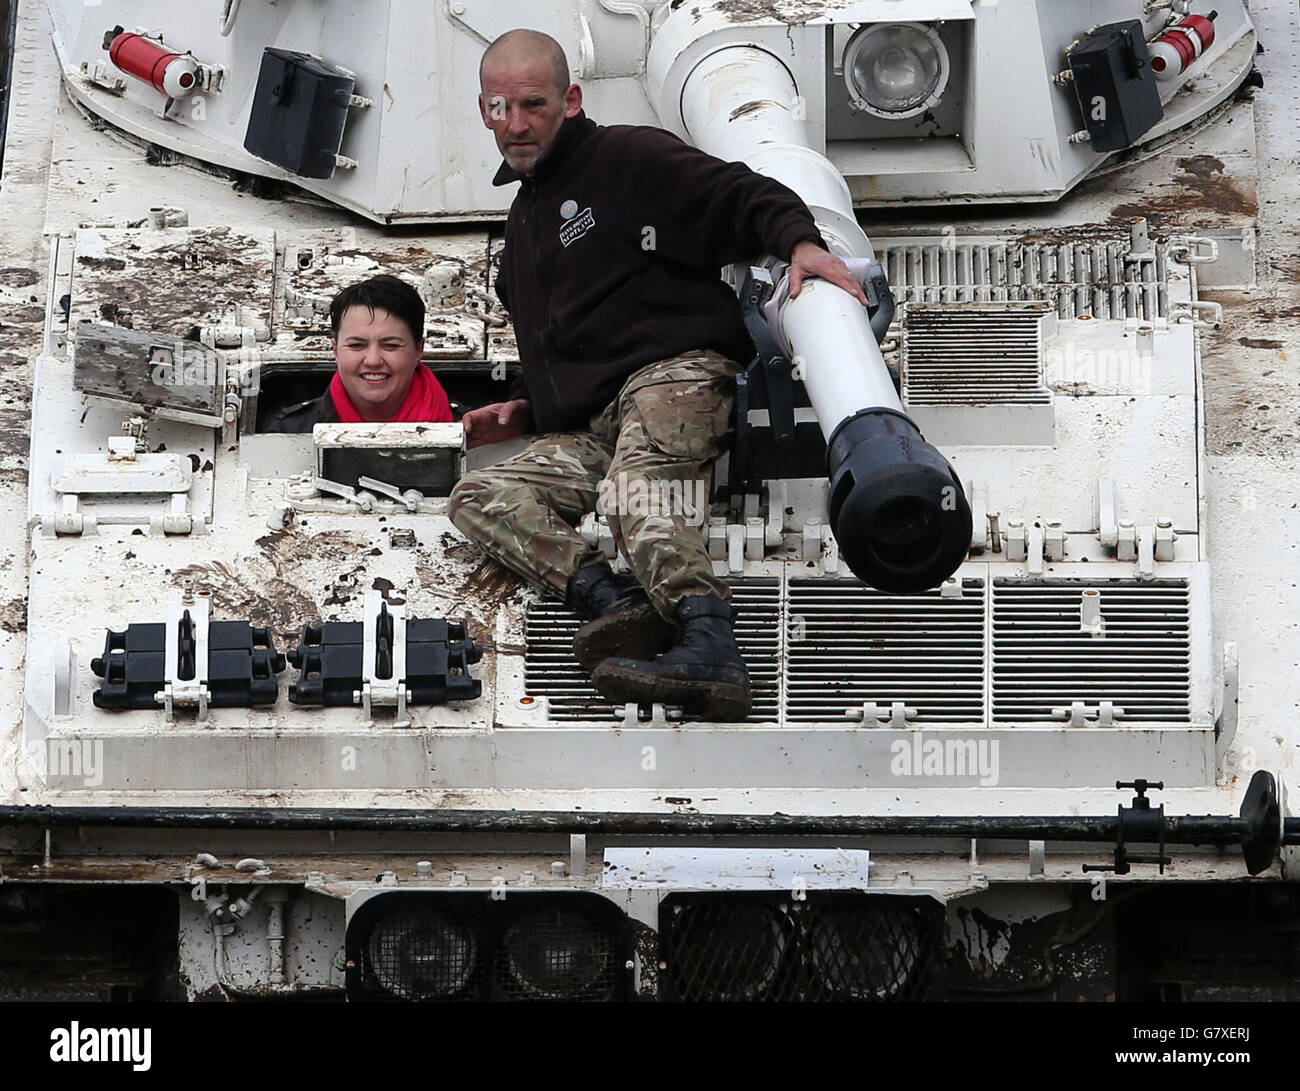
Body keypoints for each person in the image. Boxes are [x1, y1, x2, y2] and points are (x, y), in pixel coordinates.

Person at [448, 29, 867, 720]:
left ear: (570, 100)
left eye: (533, 104)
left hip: (674, 375)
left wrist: (801, 242)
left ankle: (709, 641)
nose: (515, 124)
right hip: (595, 423)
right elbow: (561, 347)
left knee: (637, 488)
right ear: (484, 110)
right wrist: (524, 406)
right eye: (500, 107)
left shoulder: (626, 159)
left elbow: (740, 193)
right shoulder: (522, 227)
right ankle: (615, 604)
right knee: (479, 494)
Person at [271, 275, 454, 432]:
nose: (373, 360)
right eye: (356, 345)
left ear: (418, 349)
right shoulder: (289, 432)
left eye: (391, 346)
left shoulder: (464, 429)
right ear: (335, 350)